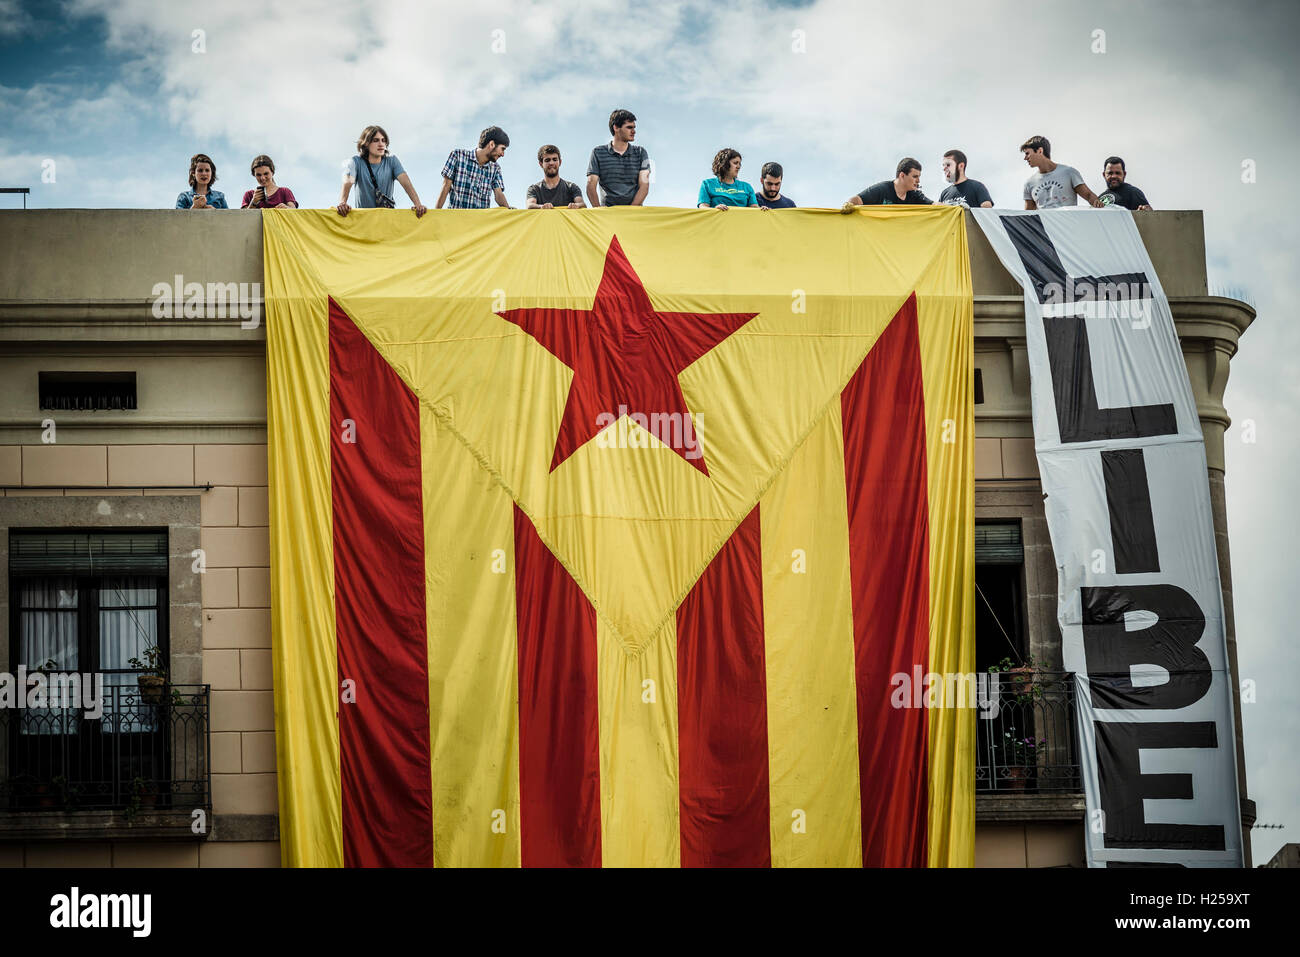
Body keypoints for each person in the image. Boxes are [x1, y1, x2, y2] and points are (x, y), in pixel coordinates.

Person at [336, 125, 426, 216]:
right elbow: (347, 183)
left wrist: (418, 204)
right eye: (376, 140)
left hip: (385, 219)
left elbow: (406, 183)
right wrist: (342, 203)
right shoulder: (355, 162)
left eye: (383, 140)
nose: (381, 144)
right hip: (363, 220)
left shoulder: (392, 161)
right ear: (366, 143)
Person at [586, 109, 650, 207]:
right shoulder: (598, 152)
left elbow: (644, 185)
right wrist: (598, 211)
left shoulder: (641, 152)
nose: (634, 131)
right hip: (608, 215)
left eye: (634, 127)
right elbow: (591, 184)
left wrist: (631, 211)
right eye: (629, 127)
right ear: (616, 127)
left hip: (634, 214)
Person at [1020, 135, 1102, 210]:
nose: (1025, 158)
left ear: (1040, 151)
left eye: (1027, 153)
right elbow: (1028, 215)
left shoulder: (1069, 172)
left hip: (1067, 225)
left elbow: (1088, 195)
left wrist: (1098, 204)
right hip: (1044, 225)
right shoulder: (1029, 183)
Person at [437, 126, 511, 209]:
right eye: (502, 149)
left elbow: (499, 194)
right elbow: (446, 186)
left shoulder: (495, 168)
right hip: (456, 219)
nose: (502, 154)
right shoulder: (458, 156)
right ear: (492, 144)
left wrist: (509, 210)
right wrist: (435, 215)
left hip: (480, 221)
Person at [843, 157, 933, 209]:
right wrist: (848, 207)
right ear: (902, 175)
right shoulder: (882, 189)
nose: (918, 181)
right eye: (915, 177)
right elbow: (854, 200)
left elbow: (935, 206)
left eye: (919, 177)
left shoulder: (915, 195)